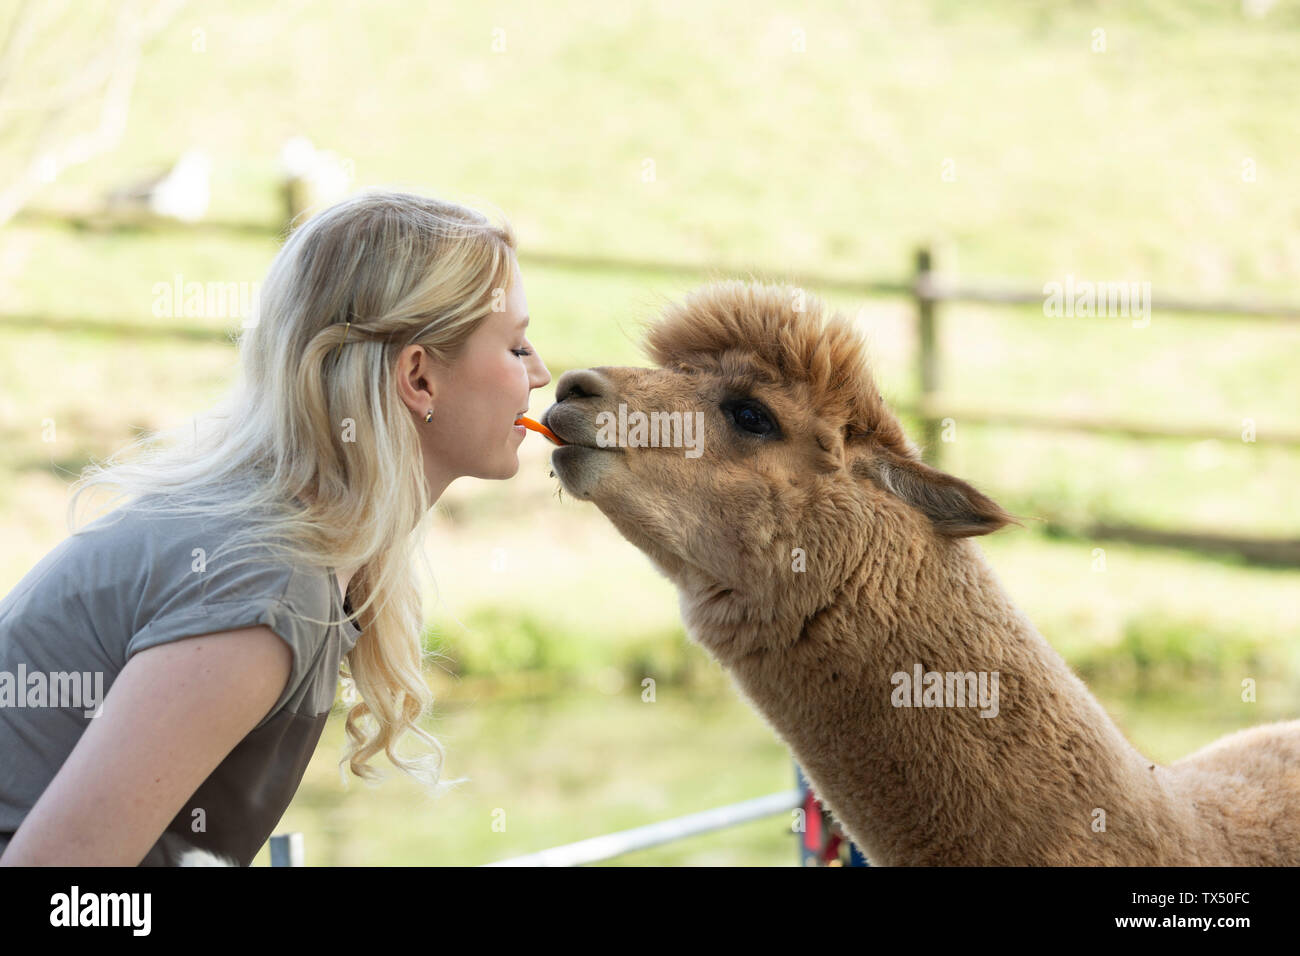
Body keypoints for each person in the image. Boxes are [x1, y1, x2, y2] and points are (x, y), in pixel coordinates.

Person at [0, 190, 551, 865]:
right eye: (517, 346)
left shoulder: (293, 553)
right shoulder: (266, 590)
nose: (541, 374)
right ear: (419, 377)